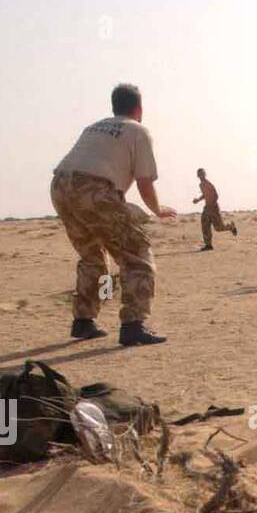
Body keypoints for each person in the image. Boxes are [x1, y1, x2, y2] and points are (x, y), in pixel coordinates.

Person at [50, 83, 175, 347]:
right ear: (139, 108)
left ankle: (84, 321)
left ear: (114, 106)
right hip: (93, 190)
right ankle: (133, 324)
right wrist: (157, 209)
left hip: (61, 186)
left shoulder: (94, 127)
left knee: (92, 255)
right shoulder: (138, 130)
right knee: (137, 254)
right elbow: (144, 182)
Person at [193, 169, 238, 251]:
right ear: (198, 176)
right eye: (199, 175)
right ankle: (208, 245)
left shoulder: (208, 184)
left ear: (204, 175)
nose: (201, 176)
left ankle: (231, 227)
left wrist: (212, 204)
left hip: (213, 208)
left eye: (202, 174)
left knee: (219, 228)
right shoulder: (201, 185)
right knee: (205, 225)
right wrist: (198, 200)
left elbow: (216, 195)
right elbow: (205, 194)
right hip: (207, 208)